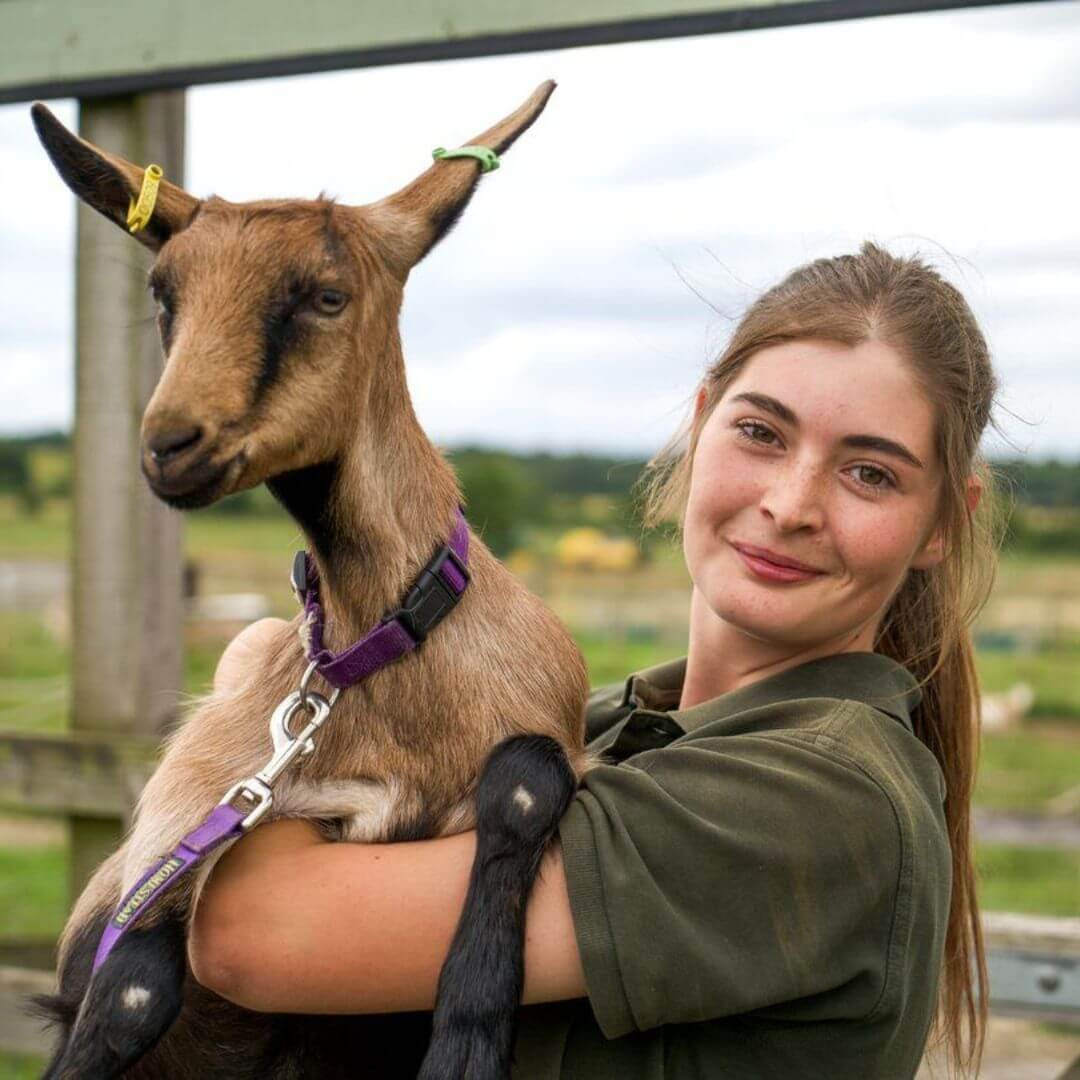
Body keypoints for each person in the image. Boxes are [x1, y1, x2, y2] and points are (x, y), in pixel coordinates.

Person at [188, 242, 1003, 1078]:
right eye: (760, 432)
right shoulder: (605, 727)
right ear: (699, 423)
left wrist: (259, 683)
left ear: (943, 521)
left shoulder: (825, 798)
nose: (791, 505)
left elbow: (249, 933)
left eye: (869, 474)